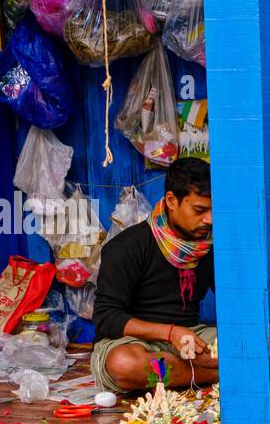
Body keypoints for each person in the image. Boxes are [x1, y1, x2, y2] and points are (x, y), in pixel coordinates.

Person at [92, 157, 217, 394]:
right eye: (199, 210)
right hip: (133, 342)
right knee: (125, 364)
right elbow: (106, 317)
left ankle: (173, 375)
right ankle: (211, 374)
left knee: (249, 346)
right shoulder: (127, 247)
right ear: (171, 201)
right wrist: (169, 333)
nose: (209, 219)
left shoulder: (209, 246)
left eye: (213, 210)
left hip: (190, 338)